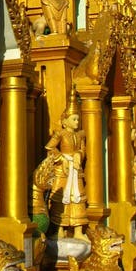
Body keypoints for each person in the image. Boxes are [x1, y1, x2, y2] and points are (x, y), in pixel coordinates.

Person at [44, 88, 87, 238]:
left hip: (75, 168)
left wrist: (78, 155)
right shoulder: (60, 134)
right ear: (64, 121)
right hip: (63, 169)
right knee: (60, 198)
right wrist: (62, 159)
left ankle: (78, 230)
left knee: (78, 198)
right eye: (74, 119)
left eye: (77, 119)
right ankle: (59, 229)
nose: (76, 122)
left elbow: (83, 150)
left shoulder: (80, 135)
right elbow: (49, 148)